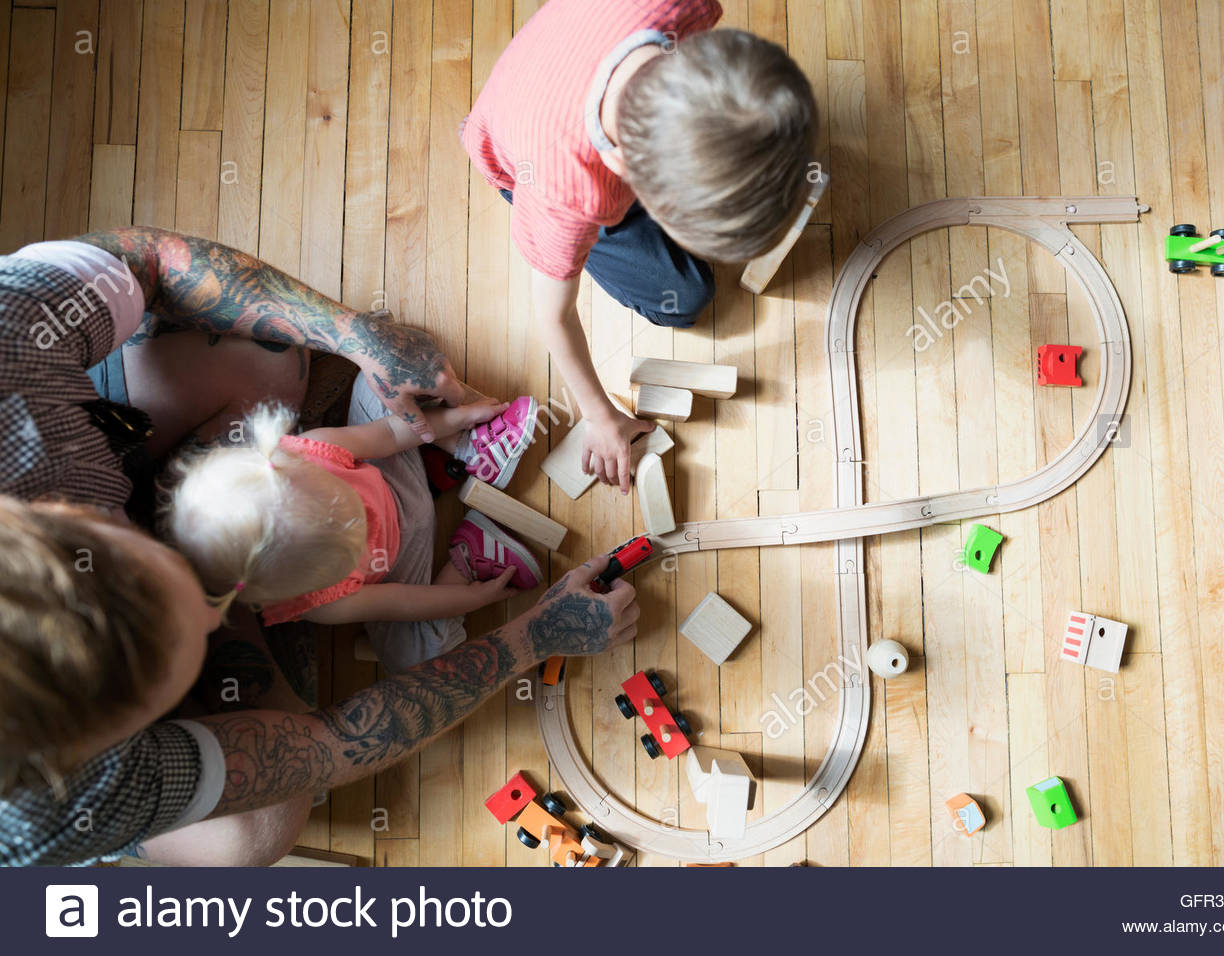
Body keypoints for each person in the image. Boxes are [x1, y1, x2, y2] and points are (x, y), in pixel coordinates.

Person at [0, 227, 639, 865]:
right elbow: (330, 747)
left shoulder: (14, 355)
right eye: (200, 623)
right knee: (250, 837)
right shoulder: (49, 811)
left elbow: (145, 260)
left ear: (61, 514)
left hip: (108, 447)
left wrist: (365, 341)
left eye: (165, 569)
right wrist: (529, 636)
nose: (212, 605)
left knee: (276, 357)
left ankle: (229, 524)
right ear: (108, 745)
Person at [461, 0, 818, 493]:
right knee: (686, 295)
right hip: (519, 159)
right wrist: (598, 416)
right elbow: (552, 316)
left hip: (576, 96)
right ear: (631, 182)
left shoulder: (680, 7)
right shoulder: (569, 197)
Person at [163, 393, 546, 673]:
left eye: (351, 508)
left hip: (396, 479)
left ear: (291, 466)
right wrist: (468, 598)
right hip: (404, 560)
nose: (365, 525)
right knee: (414, 662)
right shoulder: (318, 604)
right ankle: (467, 560)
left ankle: (475, 451)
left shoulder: (314, 449)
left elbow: (391, 435)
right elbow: (402, 600)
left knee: (379, 384)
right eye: (350, 548)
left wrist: (461, 420)